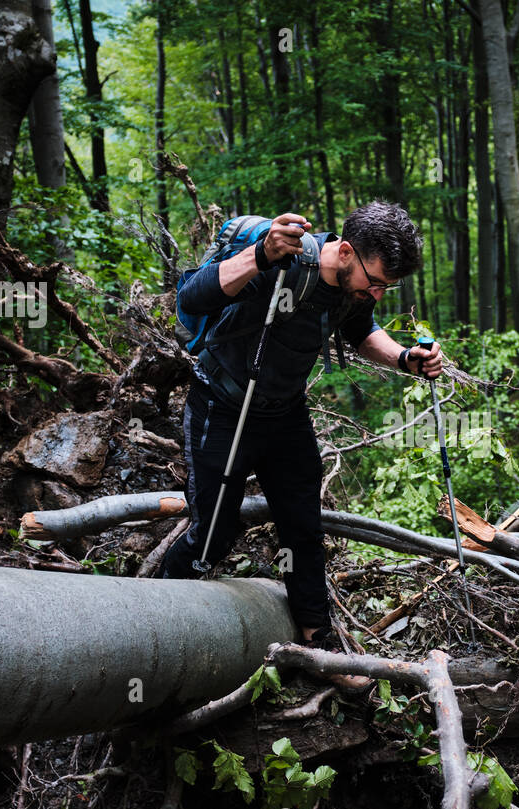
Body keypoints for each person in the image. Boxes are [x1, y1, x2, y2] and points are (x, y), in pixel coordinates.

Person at [157, 201, 441, 649]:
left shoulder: (353, 289)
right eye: (377, 282)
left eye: (389, 286)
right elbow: (191, 297)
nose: (379, 294)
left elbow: (361, 330)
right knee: (214, 533)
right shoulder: (283, 260)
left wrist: (405, 358)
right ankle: (157, 613)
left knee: (303, 528)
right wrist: (259, 256)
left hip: (285, 413)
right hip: (224, 404)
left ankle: (318, 640)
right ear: (346, 252)